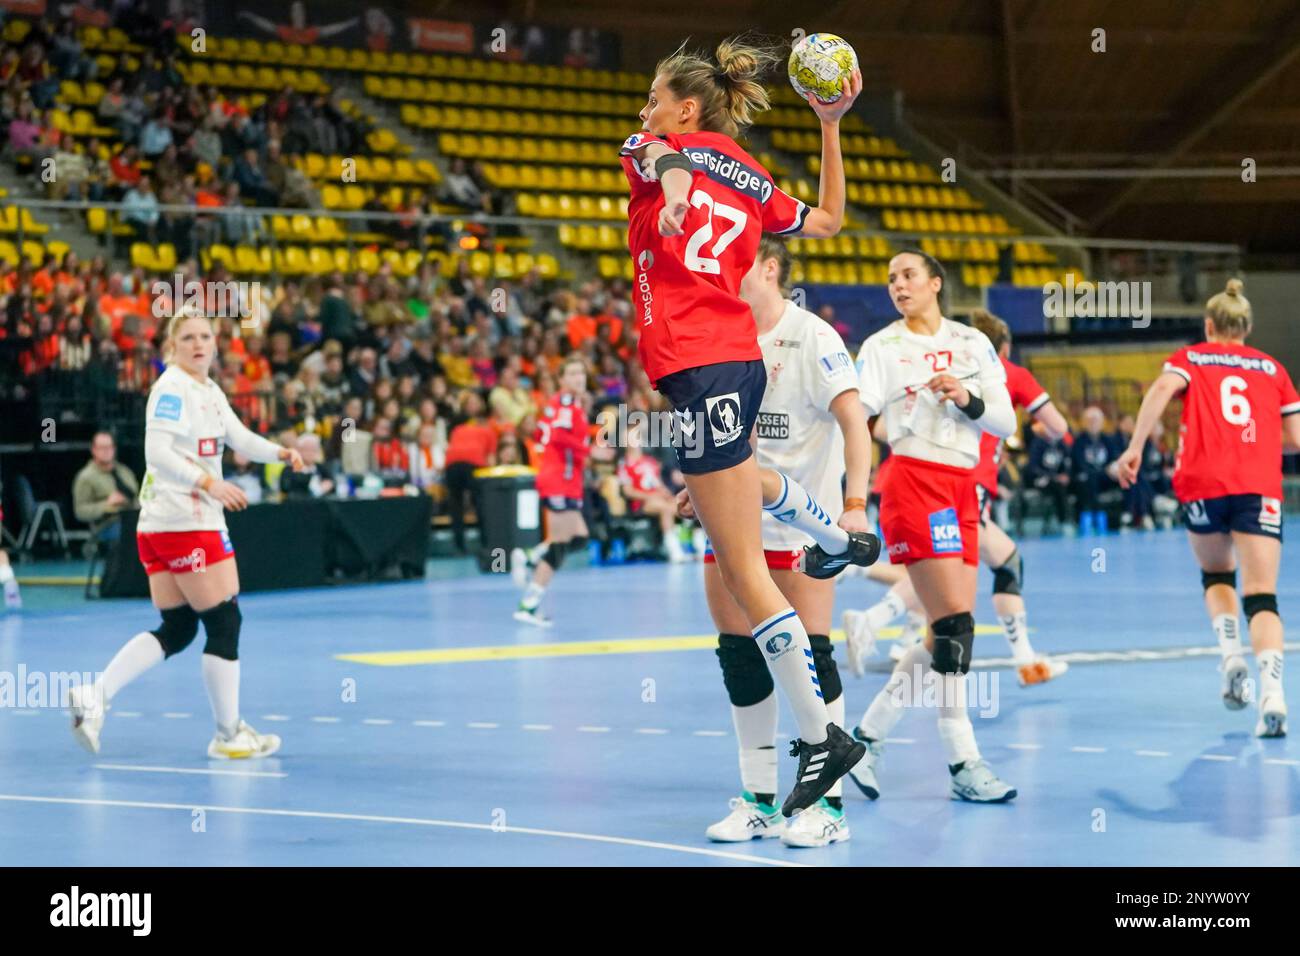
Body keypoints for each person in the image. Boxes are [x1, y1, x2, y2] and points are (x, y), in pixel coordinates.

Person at [618, 38, 876, 817]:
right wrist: (830, 124)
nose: (644, 111)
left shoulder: (655, 148)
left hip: (698, 363)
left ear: (685, 107)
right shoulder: (752, 175)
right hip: (732, 362)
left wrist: (669, 189)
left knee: (742, 572)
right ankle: (830, 535)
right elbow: (829, 220)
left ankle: (824, 738)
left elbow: (664, 158)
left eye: (655, 98)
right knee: (736, 525)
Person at [66, 307, 304, 759]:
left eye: (205, 336)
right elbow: (156, 452)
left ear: (216, 344)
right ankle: (228, 735)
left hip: (163, 524)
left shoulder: (209, 389)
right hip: (185, 520)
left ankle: (95, 695)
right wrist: (209, 482)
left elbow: (238, 436)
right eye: (188, 337)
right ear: (171, 346)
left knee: (177, 628)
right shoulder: (171, 388)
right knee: (224, 620)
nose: (198, 344)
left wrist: (280, 452)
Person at [700, 234, 868, 846]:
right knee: (741, 657)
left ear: (770, 269)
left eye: (736, 260)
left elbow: (856, 425)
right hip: (733, 520)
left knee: (813, 654)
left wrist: (854, 507)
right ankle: (759, 799)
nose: (722, 270)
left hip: (804, 525)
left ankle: (829, 808)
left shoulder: (813, 336)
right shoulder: (719, 334)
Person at [846, 250, 1019, 803]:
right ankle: (963, 760)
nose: (898, 285)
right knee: (955, 627)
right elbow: (858, 421)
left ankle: (866, 739)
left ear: (935, 283)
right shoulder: (882, 348)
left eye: (908, 275)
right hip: (914, 481)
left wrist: (965, 397)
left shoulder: (973, 343)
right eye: (891, 278)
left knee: (942, 631)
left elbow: (1006, 420)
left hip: (963, 485)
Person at [844, 310, 1071, 686]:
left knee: (951, 575)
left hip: (913, 479)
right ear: (1004, 346)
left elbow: (879, 426)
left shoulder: (930, 367)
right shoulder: (1007, 372)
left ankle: (1017, 660)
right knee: (959, 583)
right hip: (961, 488)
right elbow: (1059, 427)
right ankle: (875, 623)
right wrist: (1035, 429)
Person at [1118, 279, 1299, 737]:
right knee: (1261, 596)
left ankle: (1230, 655)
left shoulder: (1191, 358)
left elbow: (1161, 389)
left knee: (1217, 576)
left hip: (1201, 483)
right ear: (1249, 327)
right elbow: (1296, 438)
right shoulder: (1272, 368)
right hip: (1257, 486)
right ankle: (1273, 694)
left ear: (1208, 325)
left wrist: (1136, 447)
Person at [511, 358, 592, 624]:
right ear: (562, 380)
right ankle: (528, 605)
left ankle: (530, 557)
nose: (579, 377)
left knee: (578, 538)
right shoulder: (567, 402)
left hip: (567, 482)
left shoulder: (571, 403)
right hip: (558, 479)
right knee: (559, 547)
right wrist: (590, 451)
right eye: (572, 373)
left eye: (581, 372)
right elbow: (558, 436)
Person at [616, 421, 688, 564]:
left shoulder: (650, 461)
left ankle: (694, 546)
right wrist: (651, 495)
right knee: (666, 509)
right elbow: (627, 491)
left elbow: (658, 483)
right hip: (642, 503)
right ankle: (674, 550)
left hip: (659, 499)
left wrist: (666, 493)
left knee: (684, 507)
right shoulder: (624, 463)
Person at [72, 431, 140, 546]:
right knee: (126, 532)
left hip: (133, 517)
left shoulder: (125, 472)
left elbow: (137, 496)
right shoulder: (86, 477)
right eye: (102, 447)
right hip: (107, 525)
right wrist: (106, 505)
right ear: (93, 450)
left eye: (109, 447)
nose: (106, 451)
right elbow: (80, 511)